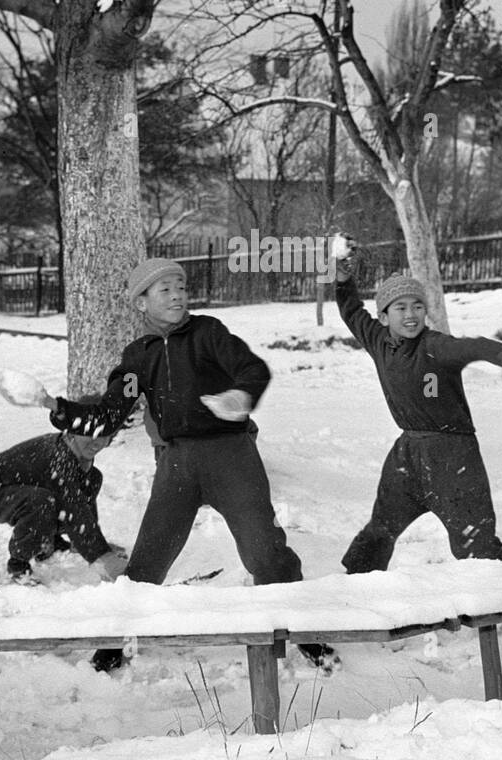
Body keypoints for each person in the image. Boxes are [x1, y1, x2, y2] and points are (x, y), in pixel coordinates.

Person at [43, 257, 335, 673]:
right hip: (176, 462)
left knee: (264, 550)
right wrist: (58, 409)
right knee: (148, 559)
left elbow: (251, 368)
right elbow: (108, 414)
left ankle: (305, 633)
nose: (178, 294)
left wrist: (241, 396)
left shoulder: (208, 333)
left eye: (180, 285)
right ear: (141, 303)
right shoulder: (137, 356)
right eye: (165, 289)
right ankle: (116, 643)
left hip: (230, 454)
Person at [334, 253, 502, 573]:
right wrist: (342, 281)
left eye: (418, 307)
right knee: (381, 527)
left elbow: (475, 346)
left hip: (453, 456)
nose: (411, 315)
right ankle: (355, 585)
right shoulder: (378, 341)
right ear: (383, 317)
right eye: (401, 308)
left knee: (475, 543)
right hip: (407, 454)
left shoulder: (435, 345)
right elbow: (352, 312)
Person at [0, 406, 128, 585]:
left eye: (104, 435)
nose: (97, 442)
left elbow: (81, 508)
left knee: (92, 478)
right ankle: (18, 563)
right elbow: (75, 511)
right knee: (42, 501)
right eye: (90, 434)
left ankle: (54, 541)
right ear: (71, 432)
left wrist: (92, 542)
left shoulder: (79, 451)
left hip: (31, 489)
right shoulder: (61, 457)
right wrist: (103, 557)